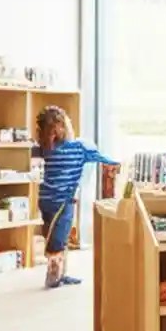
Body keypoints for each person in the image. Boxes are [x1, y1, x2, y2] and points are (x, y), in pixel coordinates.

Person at [34, 105, 116, 289]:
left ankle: (61, 273)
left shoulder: (43, 150)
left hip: (45, 199)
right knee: (59, 240)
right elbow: (103, 158)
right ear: (63, 126)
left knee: (53, 235)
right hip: (64, 201)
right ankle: (54, 275)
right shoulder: (78, 148)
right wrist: (117, 162)